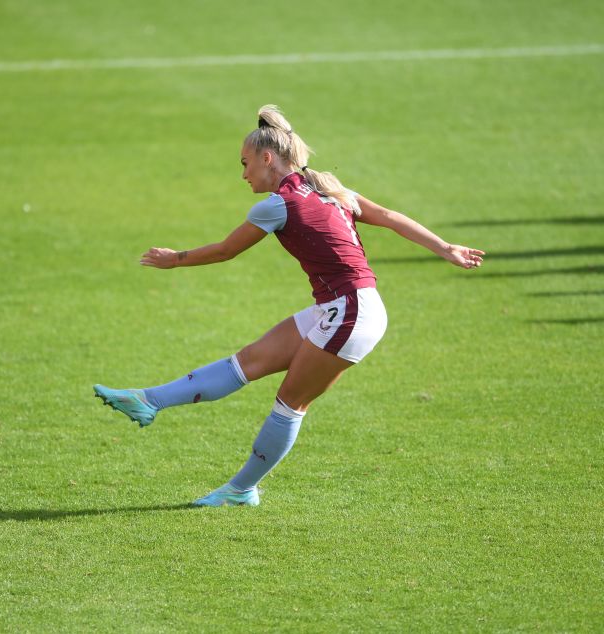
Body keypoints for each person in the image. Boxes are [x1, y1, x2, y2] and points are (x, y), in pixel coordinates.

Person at [94, 104, 485, 507]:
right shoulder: (330, 188)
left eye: (245, 163)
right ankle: (148, 401)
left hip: (351, 312)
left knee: (290, 403)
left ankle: (241, 490)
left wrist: (175, 258)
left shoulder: (277, 205)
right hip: (342, 308)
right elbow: (387, 216)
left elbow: (227, 250)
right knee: (249, 361)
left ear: (267, 158)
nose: (243, 174)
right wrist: (444, 247)